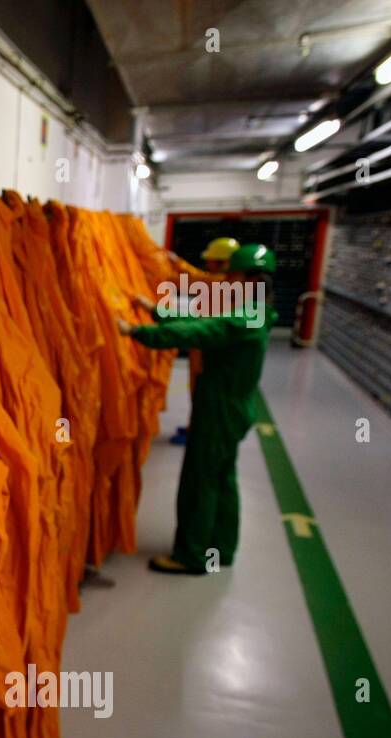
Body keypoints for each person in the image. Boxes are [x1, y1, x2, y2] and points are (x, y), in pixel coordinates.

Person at [118, 243, 277, 574]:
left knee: (200, 482)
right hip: (233, 409)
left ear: (250, 279)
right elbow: (203, 316)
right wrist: (155, 310)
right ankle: (221, 548)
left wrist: (136, 332)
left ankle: (191, 556)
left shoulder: (243, 318)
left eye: (231, 274)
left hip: (218, 412)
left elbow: (201, 330)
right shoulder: (254, 311)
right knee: (222, 479)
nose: (226, 280)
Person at [134, 237, 240, 445]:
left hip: (209, 345)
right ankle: (196, 425)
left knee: (204, 390)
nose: (207, 264)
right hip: (205, 341)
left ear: (223, 262)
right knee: (199, 388)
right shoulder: (223, 281)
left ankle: (200, 432)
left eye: (211, 260)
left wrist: (172, 262)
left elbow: (190, 278)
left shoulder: (222, 283)